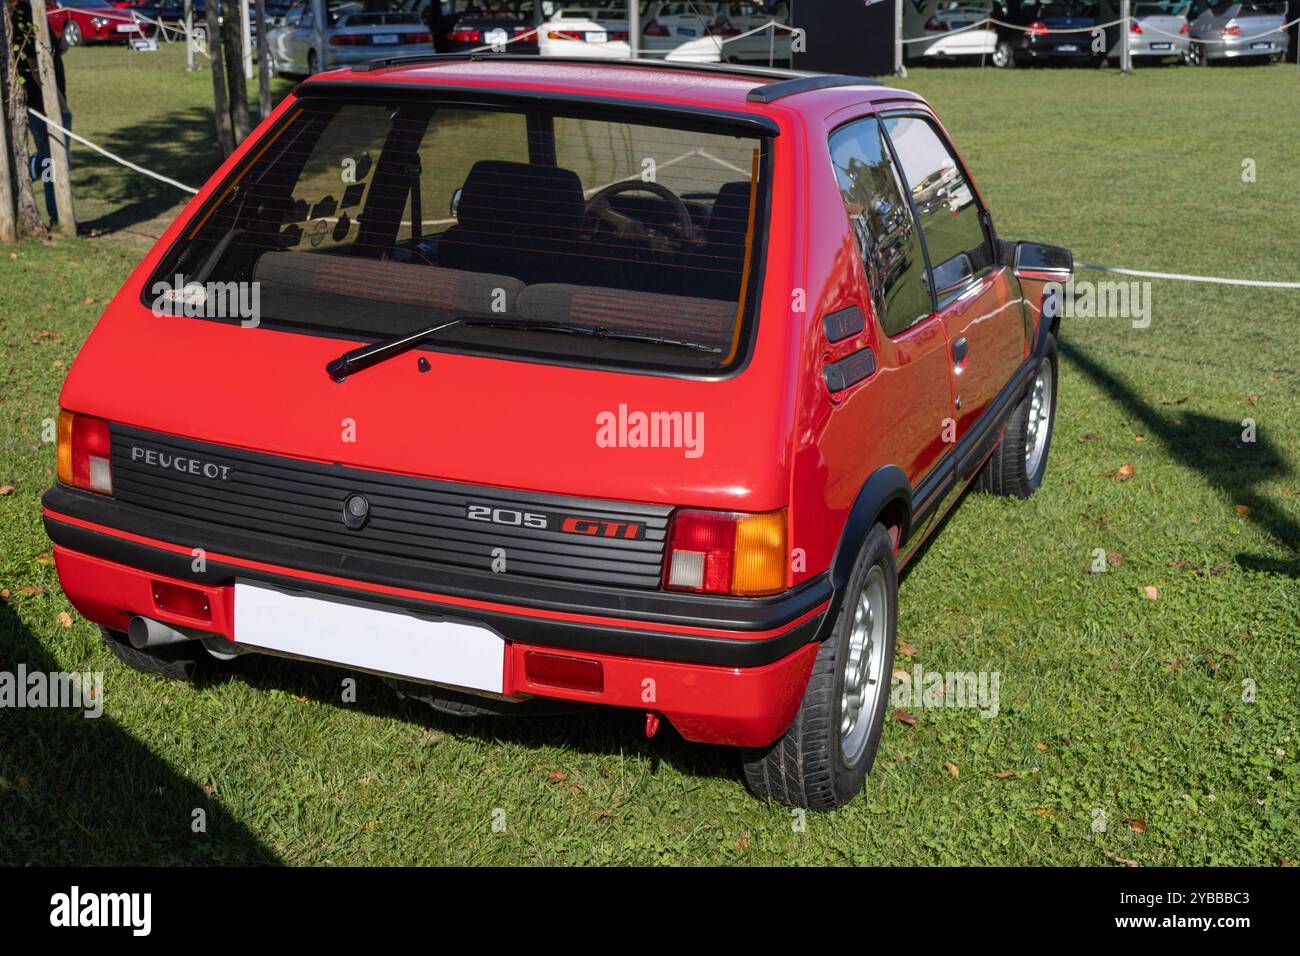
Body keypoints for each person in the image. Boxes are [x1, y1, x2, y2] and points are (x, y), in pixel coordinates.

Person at [11, 0, 71, 225]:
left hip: (54, 105)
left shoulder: (39, 14)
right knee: (52, 164)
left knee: (58, 162)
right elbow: (34, 63)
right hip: (44, 107)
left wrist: (65, 38)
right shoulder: (25, 12)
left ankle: (57, 212)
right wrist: (58, 104)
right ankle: (57, 215)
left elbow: (53, 53)